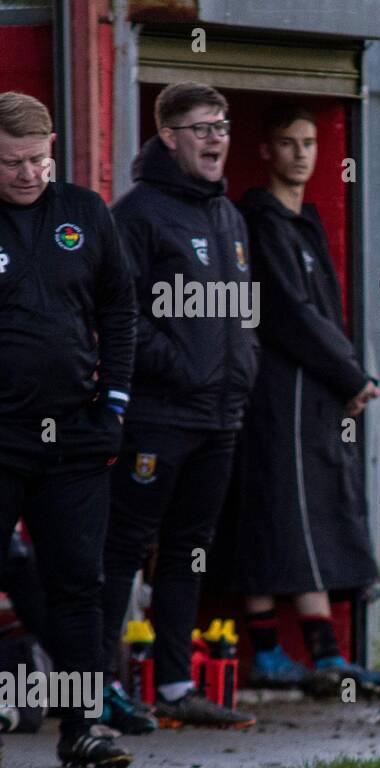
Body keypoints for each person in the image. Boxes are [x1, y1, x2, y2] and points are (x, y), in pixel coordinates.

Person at [227, 103, 380, 696]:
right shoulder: (261, 220)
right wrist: (351, 374)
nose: (302, 154)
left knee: (314, 507)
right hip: (278, 391)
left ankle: (329, 656)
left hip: (319, 390)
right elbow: (289, 316)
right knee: (278, 509)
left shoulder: (308, 221)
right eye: (288, 143)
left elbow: (326, 312)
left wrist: (348, 374)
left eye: (309, 143)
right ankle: (269, 651)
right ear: (266, 151)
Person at [102, 82, 259, 726]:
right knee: (125, 547)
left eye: (222, 126)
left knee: (191, 548)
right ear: (168, 136)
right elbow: (120, 315)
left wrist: (240, 367)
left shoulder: (228, 215)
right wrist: (181, 369)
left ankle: (173, 688)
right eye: (201, 128)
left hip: (220, 418)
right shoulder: (136, 214)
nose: (216, 138)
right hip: (158, 415)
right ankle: (101, 691)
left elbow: (244, 312)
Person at [0, 91, 135, 767]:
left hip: (77, 434)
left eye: (37, 160)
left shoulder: (84, 212)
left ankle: (82, 727)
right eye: (12, 162)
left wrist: (113, 404)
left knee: (80, 581)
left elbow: (120, 309)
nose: (27, 174)